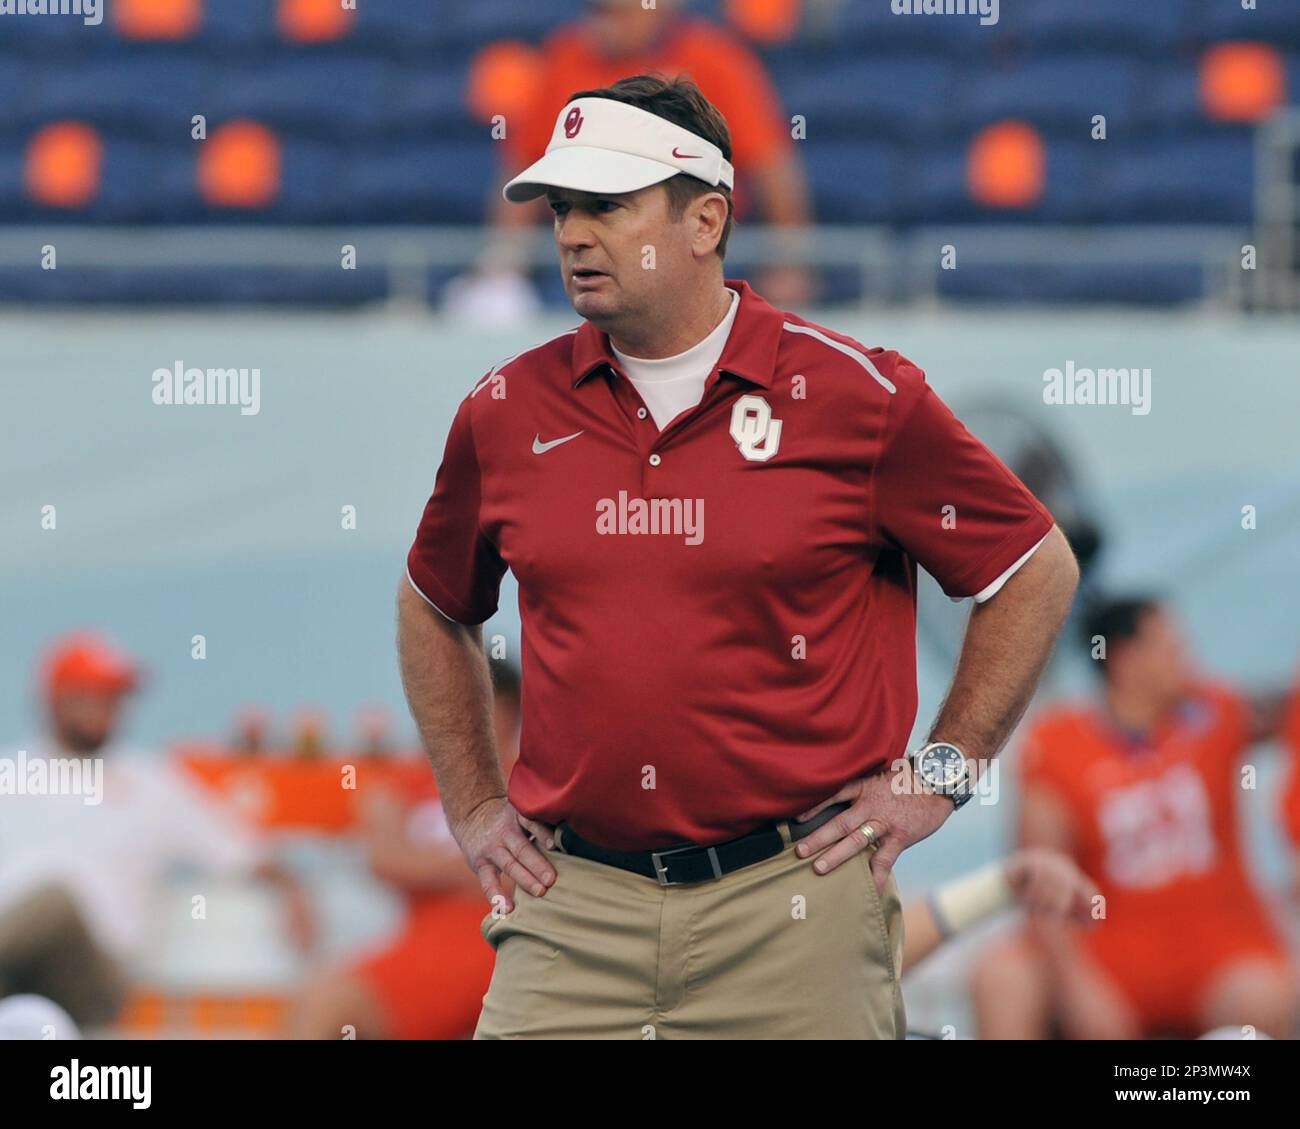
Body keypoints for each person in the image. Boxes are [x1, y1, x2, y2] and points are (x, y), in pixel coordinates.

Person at [399, 74, 1078, 1039]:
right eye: (560, 209)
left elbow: (1033, 566)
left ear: (706, 219)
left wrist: (942, 772)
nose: (573, 234)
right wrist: (472, 805)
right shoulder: (503, 411)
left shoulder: (857, 395)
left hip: (795, 900)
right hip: (571, 907)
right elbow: (432, 601)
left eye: (606, 205)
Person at [971, 596, 1298, 1039]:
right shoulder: (1057, 743)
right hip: (1105, 949)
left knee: (1263, 996)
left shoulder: (1216, 713)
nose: (1187, 658)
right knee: (1001, 978)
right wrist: (1077, 984)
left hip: (1219, 948)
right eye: (1172, 647)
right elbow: (1040, 880)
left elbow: (1290, 711)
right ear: (1125, 658)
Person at [0, 633, 312, 1030]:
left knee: (55, 903)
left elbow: (238, 849)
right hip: (14, 967)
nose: (109, 709)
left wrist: (293, 887)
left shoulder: (150, 782)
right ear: (56, 701)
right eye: (94, 696)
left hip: (94, 978)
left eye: (115, 698)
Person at [450, 0, 814, 318]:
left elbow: (772, 168)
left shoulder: (715, 58)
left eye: (616, 12)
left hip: (691, 249)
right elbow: (524, 165)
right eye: (596, 11)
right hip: (588, 245)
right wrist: (503, 263)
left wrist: (789, 262)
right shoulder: (566, 54)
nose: (601, 24)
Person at [292, 660, 522, 1039]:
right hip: (423, 941)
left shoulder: (526, 784)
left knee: (329, 1000)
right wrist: (483, 862)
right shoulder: (415, 780)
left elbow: (528, 876)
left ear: (504, 712)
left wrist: (424, 865)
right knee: (320, 999)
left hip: (493, 943)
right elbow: (385, 859)